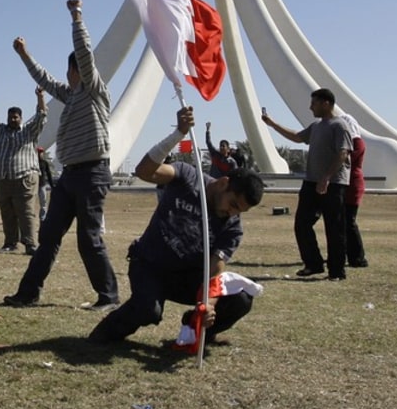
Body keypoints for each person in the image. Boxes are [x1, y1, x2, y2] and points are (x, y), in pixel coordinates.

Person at [89, 107, 265, 345]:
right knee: (148, 311)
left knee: (241, 298)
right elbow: (144, 171)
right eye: (232, 204)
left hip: (188, 277)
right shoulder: (188, 178)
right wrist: (177, 135)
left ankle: (199, 329)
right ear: (224, 183)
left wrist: (207, 305)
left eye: (239, 211)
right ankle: (107, 331)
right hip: (150, 265)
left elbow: (215, 267)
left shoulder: (233, 225)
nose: (232, 213)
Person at [3, 0, 119, 310]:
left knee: (88, 239)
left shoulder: (94, 89)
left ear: (77, 69)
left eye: (70, 69)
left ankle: (108, 296)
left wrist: (76, 15)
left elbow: (83, 51)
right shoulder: (70, 96)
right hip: (70, 175)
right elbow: (44, 79)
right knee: (49, 236)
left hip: (93, 172)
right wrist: (25, 56)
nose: (65, 75)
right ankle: (28, 293)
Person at [261, 89, 352, 280]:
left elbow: (342, 153)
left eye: (314, 103)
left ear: (326, 103)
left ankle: (336, 271)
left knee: (334, 228)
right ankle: (313, 264)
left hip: (333, 184)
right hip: (311, 182)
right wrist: (272, 124)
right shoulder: (317, 126)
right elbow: (297, 136)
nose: (311, 107)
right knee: (302, 224)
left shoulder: (340, 126)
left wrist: (326, 177)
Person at [0, 83, 47, 254]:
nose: (12, 119)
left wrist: (40, 97)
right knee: (7, 212)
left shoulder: (29, 131)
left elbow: (41, 116)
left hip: (24, 178)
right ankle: (10, 243)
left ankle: (31, 245)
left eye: (16, 117)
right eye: (10, 117)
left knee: (26, 212)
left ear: (21, 118)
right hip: (2, 179)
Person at [341, 113, 369, 268]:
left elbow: (347, 160)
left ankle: (358, 257)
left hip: (353, 184)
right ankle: (346, 253)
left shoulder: (356, 142)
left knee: (349, 221)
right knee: (344, 221)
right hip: (348, 184)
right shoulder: (352, 141)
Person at [36, 147, 54, 221]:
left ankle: (43, 219)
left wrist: (52, 185)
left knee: (43, 202)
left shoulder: (45, 163)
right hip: (33, 185)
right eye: (38, 152)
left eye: (41, 152)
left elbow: (49, 174)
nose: (40, 154)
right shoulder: (33, 162)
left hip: (42, 184)